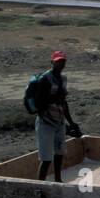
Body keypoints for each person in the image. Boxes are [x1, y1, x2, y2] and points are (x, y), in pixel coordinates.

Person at [34, 50, 79, 183]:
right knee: (46, 159)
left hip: (59, 121)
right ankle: (39, 187)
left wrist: (70, 122)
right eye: (58, 61)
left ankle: (58, 180)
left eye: (63, 61)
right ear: (52, 62)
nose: (61, 63)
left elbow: (64, 103)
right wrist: (55, 97)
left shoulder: (63, 79)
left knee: (59, 154)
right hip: (45, 122)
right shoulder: (45, 79)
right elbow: (39, 102)